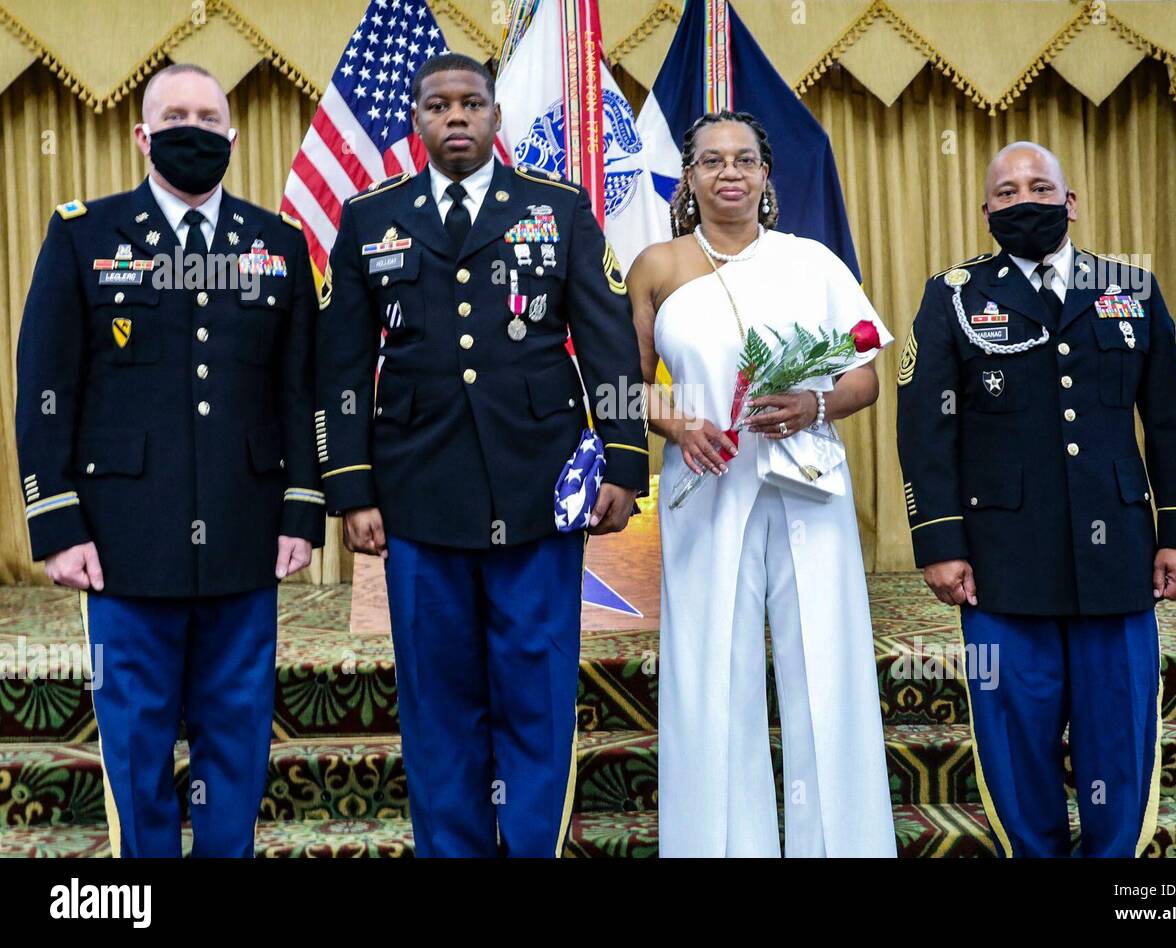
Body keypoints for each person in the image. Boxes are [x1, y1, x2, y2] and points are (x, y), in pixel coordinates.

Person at [315, 53, 648, 858]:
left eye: (471, 104)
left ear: (496, 117)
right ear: (417, 120)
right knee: (438, 704)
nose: (455, 117)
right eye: (438, 106)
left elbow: (610, 347)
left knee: (536, 697)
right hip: (418, 497)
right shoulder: (370, 217)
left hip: (538, 493)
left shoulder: (557, 208)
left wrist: (626, 462)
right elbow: (341, 364)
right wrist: (351, 487)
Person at [15, 63, 323, 857]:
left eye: (208, 115)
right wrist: (56, 521)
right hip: (121, 541)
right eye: (174, 115)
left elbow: (301, 394)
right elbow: (46, 385)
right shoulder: (84, 233)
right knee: (136, 739)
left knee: (237, 736)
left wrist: (301, 510)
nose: (194, 127)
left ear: (233, 133)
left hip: (245, 533)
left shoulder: (277, 244)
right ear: (141, 135)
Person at [895, 141, 1176, 858]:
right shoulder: (953, 295)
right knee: (1016, 734)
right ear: (986, 211)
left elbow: (1171, 417)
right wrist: (940, 543)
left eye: (1040, 187)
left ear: (1071, 202)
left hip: (1122, 560)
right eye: (1006, 192)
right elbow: (925, 429)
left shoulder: (1130, 287)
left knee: (1119, 730)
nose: (1024, 200)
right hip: (1003, 564)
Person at [627, 111, 897, 857]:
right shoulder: (656, 265)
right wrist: (678, 424)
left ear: (766, 174)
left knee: (826, 661)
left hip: (808, 483)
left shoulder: (813, 261)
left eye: (744, 159)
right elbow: (620, 387)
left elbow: (865, 376)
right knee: (711, 670)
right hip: (704, 485)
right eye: (711, 161)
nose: (729, 173)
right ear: (688, 177)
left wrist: (813, 403)